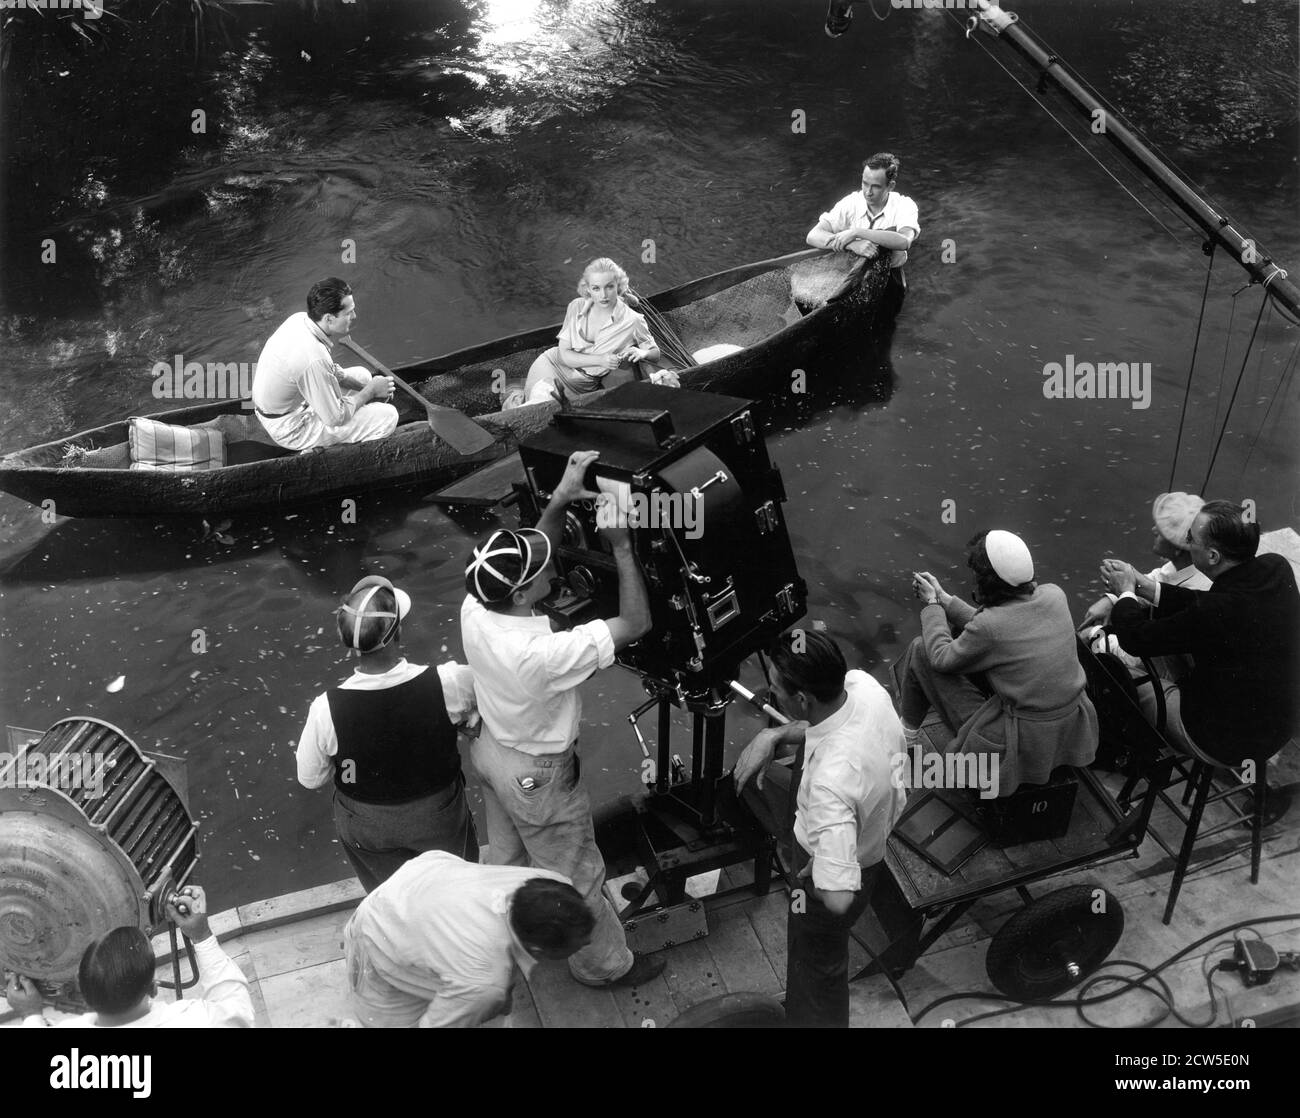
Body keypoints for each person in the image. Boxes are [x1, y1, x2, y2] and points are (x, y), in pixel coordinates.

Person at [459, 450, 663, 988]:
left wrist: (562, 497)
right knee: (578, 876)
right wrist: (622, 546)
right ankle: (603, 967)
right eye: (544, 570)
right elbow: (635, 621)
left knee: (506, 858)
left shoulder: (477, 604)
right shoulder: (544, 656)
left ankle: (501, 935)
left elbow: (528, 554)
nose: (555, 567)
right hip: (540, 780)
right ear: (523, 593)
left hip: (492, 753)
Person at [733, 630, 907, 1029]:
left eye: (775, 689)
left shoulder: (831, 782)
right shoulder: (862, 686)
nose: (771, 695)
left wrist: (822, 877)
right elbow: (824, 726)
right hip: (870, 821)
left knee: (817, 965)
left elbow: (840, 899)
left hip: (834, 868)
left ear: (802, 700)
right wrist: (775, 733)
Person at [296, 575, 480, 892]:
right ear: (399, 632)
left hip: (367, 826)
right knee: (455, 887)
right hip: (438, 816)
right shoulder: (449, 682)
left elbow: (310, 778)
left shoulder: (325, 709)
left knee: (390, 897)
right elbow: (496, 690)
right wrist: (466, 719)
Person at [892, 529, 1098, 796]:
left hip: (1017, 745)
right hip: (1066, 730)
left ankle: (904, 736)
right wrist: (945, 599)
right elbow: (1002, 628)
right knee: (941, 647)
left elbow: (941, 658)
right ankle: (905, 733)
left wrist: (932, 605)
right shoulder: (1054, 596)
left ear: (985, 582)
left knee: (922, 649)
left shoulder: (991, 627)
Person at [1104, 499, 1300, 767]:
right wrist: (1147, 587)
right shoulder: (1275, 567)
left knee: (1116, 674)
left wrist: (1125, 593)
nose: (1186, 542)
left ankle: (1122, 757)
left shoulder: (1218, 612)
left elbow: (1135, 639)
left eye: (1191, 539)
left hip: (1226, 740)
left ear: (1212, 557)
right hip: (1276, 724)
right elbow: (1207, 604)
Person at [343, 851, 595, 1028]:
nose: (588, 942)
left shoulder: (553, 884)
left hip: (423, 885)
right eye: (579, 943)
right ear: (537, 949)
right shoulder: (480, 981)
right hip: (377, 934)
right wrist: (486, 998)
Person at [9, 886, 254, 1028]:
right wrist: (202, 936)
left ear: (81, 990)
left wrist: (30, 1013)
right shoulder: (195, 1022)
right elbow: (237, 1008)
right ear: (154, 988)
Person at [251, 277, 398, 450]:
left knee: (363, 376)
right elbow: (335, 417)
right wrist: (370, 391)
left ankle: (359, 404)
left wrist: (365, 388)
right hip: (291, 429)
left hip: (289, 406)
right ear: (329, 319)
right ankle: (336, 453)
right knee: (389, 416)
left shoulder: (300, 319)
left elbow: (330, 371)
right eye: (349, 313)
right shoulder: (313, 357)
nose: (354, 316)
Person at [1080, 491, 1211, 680]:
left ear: (1179, 548)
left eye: (1164, 531)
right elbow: (1157, 579)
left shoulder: (1197, 592)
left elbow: (1135, 649)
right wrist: (1111, 599)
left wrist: (1091, 635)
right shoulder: (1187, 566)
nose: (1154, 530)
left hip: (1180, 675)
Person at [502, 258, 663, 409]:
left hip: (583, 386)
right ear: (588, 290)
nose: (603, 295)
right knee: (540, 404)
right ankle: (514, 394)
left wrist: (642, 353)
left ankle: (517, 392)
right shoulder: (577, 307)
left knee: (555, 414)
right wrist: (600, 360)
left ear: (618, 287)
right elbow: (565, 355)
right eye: (596, 288)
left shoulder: (634, 321)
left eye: (609, 287)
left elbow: (655, 354)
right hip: (552, 366)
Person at [806, 152, 920, 318]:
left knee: (884, 327)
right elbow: (813, 235)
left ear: (891, 186)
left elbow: (904, 241)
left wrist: (856, 232)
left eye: (876, 186)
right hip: (849, 276)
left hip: (889, 280)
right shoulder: (851, 202)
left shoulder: (904, 205)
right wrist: (851, 244)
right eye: (864, 183)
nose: (868, 192)